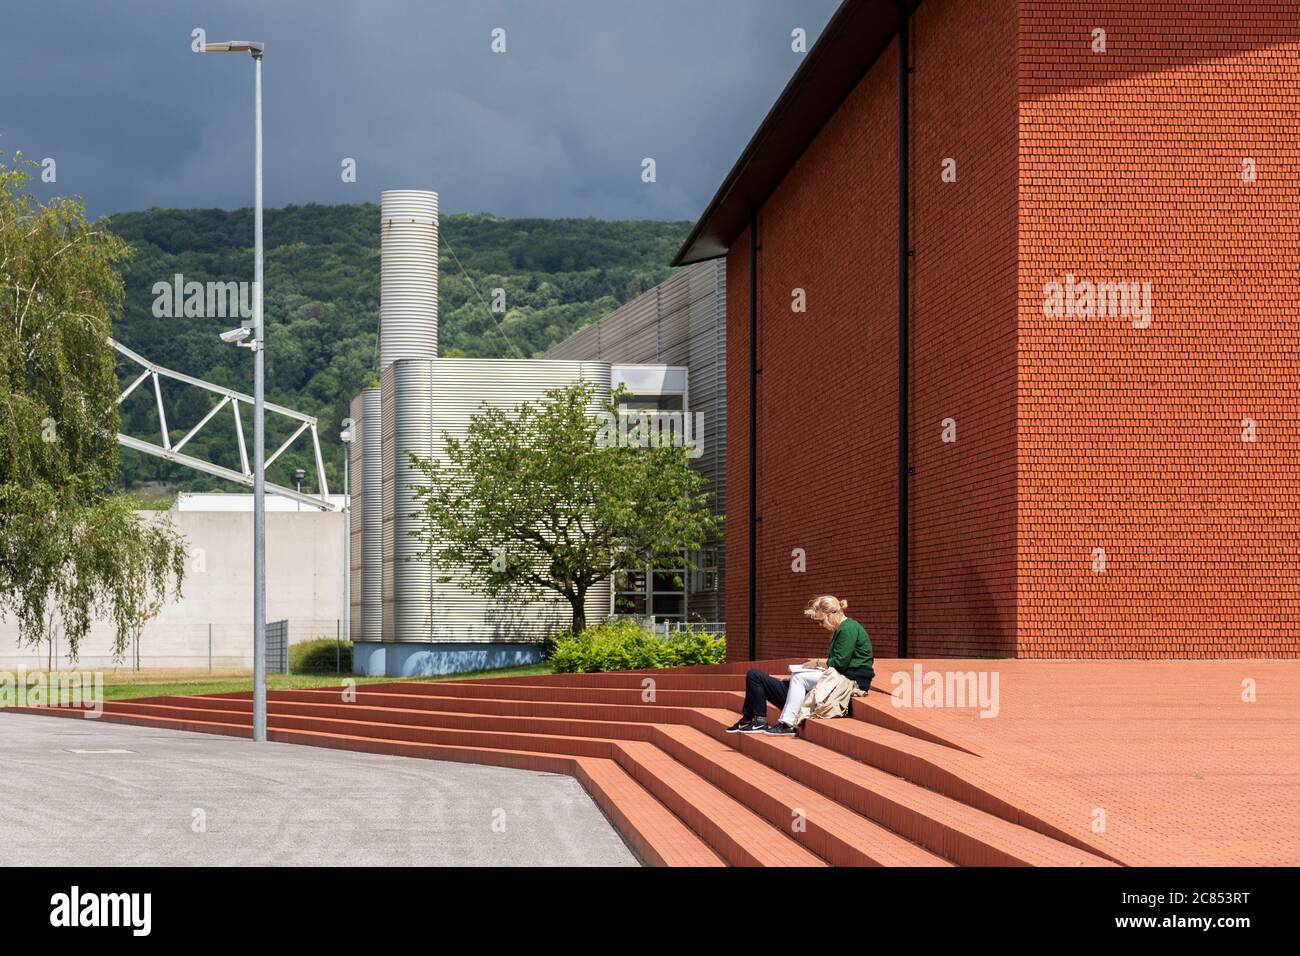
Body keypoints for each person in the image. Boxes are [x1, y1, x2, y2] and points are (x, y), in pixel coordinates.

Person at [726, 594, 874, 737]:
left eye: (821, 620)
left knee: (799, 678)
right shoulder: (842, 629)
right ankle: (751, 720)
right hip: (841, 676)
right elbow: (838, 663)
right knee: (786, 677)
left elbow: (840, 663)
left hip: (851, 680)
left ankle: (787, 724)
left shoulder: (848, 628)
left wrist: (817, 663)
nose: (821, 625)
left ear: (830, 614)